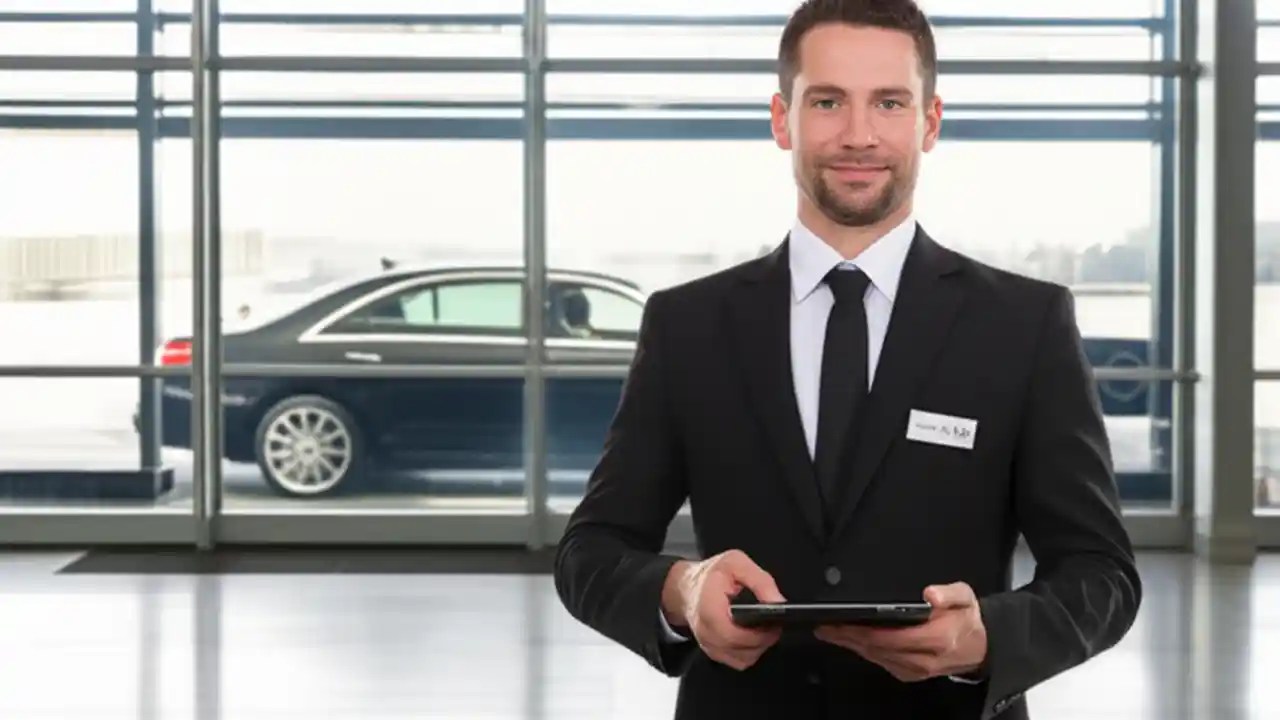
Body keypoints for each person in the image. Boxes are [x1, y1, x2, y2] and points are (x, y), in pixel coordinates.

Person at [552, 1, 1142, 718]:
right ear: (782, 119)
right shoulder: (689, 325)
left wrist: (988, 636)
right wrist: (682, 590)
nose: (858, 135)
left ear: (929, 122)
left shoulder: (1024, 325)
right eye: (827, 101)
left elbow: (1101, 572)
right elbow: (591, 550)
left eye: (889, 103)